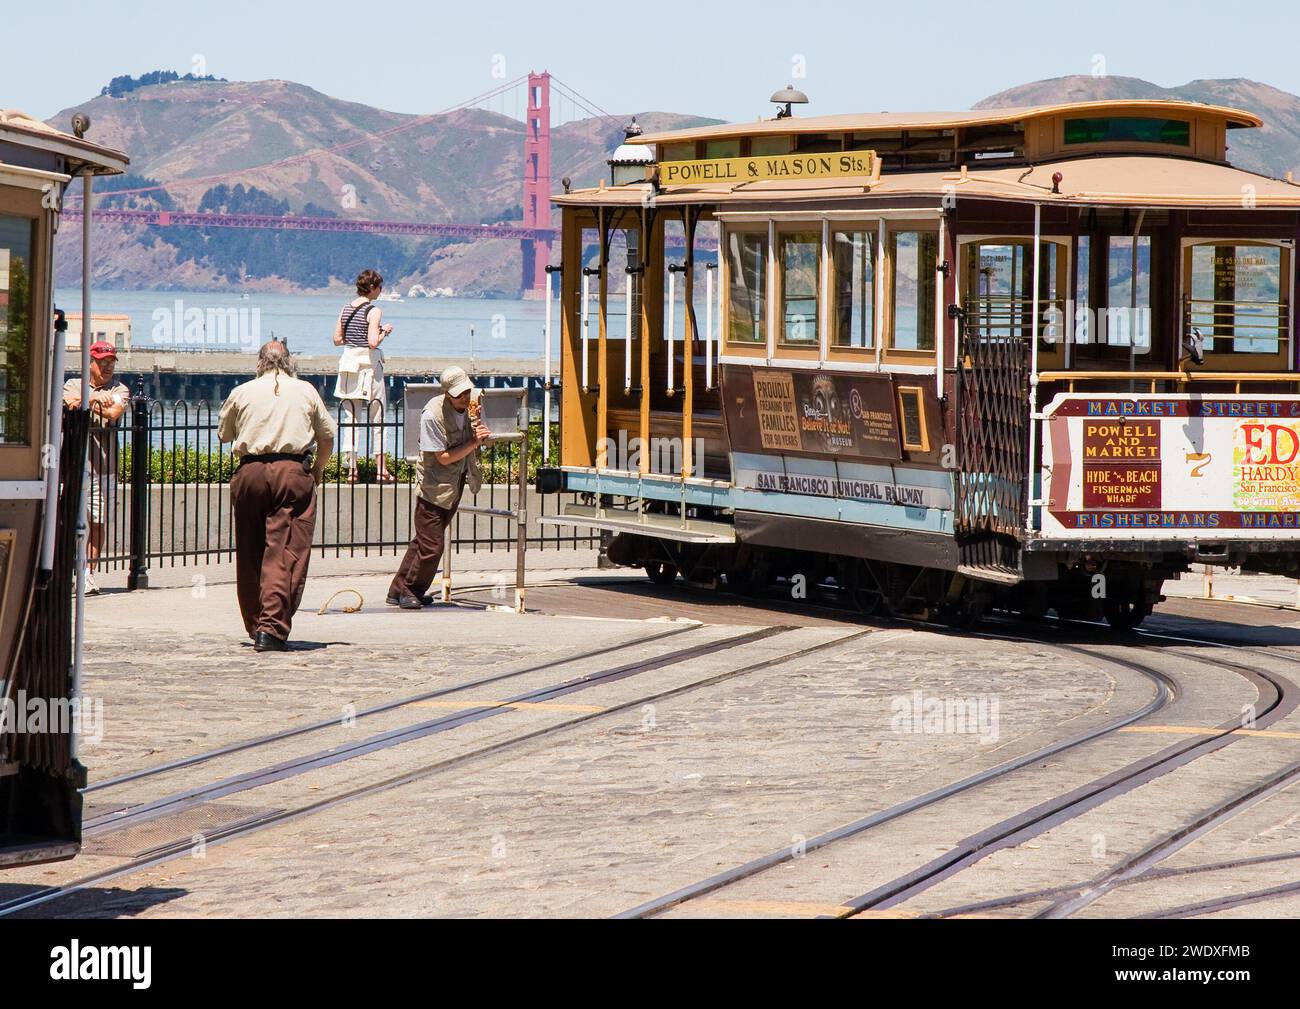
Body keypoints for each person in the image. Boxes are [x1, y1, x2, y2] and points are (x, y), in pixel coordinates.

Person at [218, 340, 336, 652]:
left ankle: (257, 623)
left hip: (250, 472)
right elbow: (327, 435)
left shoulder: (242, 391)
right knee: (284, 550)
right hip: (291, 470)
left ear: (261, 362)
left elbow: (224, 434)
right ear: (288, 362)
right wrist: (319, 469)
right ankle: (271, 627)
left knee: (250, 549)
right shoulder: (306, 390)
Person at [388, 365, 490, 609]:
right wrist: (474, 443)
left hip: (455, 482)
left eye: (467, 391)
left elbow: (476, 439)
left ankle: (397, 589)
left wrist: (482, 438)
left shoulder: (473, 404)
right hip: (433, 487)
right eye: (459, 394)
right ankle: (410, 590)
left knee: (422, 542)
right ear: (447, 393)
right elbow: (442, 457)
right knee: (433, 546)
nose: (465, 398)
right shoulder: (432, 415)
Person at [62, 340, 130, 595]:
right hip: (76, 465)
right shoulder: (72, 384)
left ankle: (88, 574)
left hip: (105, 467)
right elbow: (68, 403)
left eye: (111, 362)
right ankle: (70, 570)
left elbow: (114, 412)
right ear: (90, 363)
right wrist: (98, 399)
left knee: (98, 521)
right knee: (70, 520)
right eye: (103, 362)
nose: (108, 366)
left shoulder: (120, 389)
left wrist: (87, 402)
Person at [333, 269, 393, 483]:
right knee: (379, 417)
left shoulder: (346, 308)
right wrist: (384, 331)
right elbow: (373, 342)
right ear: (372, 287)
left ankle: (352, 470)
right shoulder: (374, 310)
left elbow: (337, 339)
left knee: (351, 419)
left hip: (348, 364)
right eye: (379, 287)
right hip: (369, 366)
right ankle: (381, 470)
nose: (381, 291)